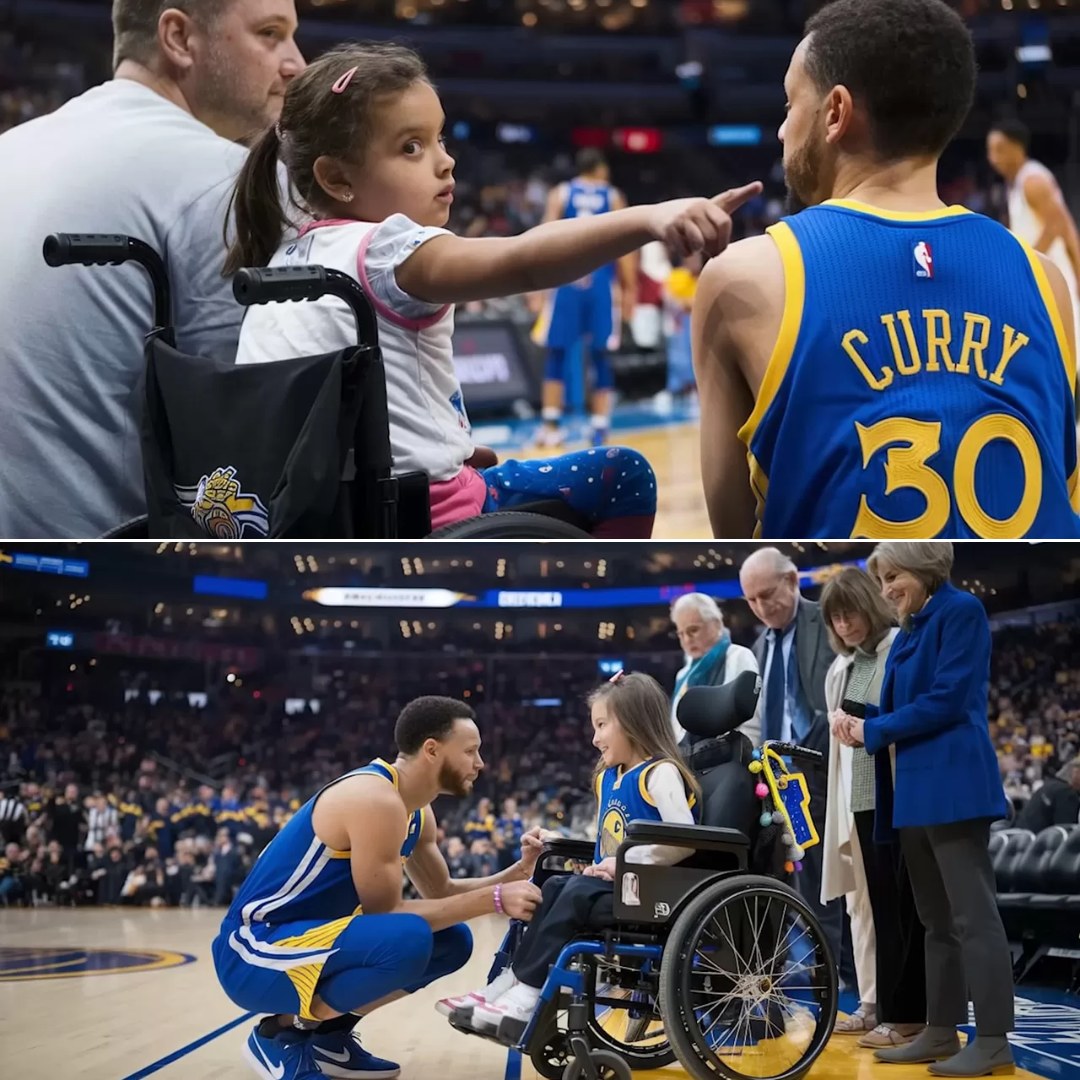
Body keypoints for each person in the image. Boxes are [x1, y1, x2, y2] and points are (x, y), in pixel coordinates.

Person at [227, 42, 760, 539]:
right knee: (624, 474)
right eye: (411, 147)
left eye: (439, 138)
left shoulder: (287, 257)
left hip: (328, 513)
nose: (445, 160)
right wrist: (648, 218)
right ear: (337, 180)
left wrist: (436, 449)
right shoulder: (386, 248)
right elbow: (522, 259)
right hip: (426, 514)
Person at [691, 0, 1079, 540]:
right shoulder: (1046, 281)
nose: (782, 131)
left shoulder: (741, 276)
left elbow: (737, 539)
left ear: (835, 112)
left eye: (789, 105)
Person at [0, 0, 305, 539]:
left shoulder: (13, 148)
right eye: (270, 34)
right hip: (106, 589)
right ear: (179, 39)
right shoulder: (226, 179)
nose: (296, 63)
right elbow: (252, 444)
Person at [211, 696, 545, 1080]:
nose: (480, 763)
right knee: (407, 939)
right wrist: (494, 900)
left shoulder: (416, 809)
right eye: (470, 751)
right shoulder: (375, 797)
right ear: (432, 750)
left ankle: (328, 1038)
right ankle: (279, 1034)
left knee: (451, 941)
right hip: (254, 950)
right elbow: (385, 913)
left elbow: (442, 892)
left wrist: (517, 872)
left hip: (308, 942)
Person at [435, 672, 699, 1045]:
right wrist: (559, 841)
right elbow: (609, 841)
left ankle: (524, 996)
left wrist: (623, 863)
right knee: (555, 883)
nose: (594, 738)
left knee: (572, 891)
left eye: (602, 725)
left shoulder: (661, 773)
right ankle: (504, 986)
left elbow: (684, 841)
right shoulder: (607, 777)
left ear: (634, 722)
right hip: (617, 890)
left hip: (654, 896)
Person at [833, 542, 1015, 1078]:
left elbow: (948, 699)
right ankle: (940, 1028)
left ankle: (994, 1037)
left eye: (894, 575)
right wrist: (859, 721)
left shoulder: (961, 611)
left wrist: (875, 729)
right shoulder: (911, 626)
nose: (886, 589)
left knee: (972, 916)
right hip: (912, 791)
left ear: (925, 565)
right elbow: (902, 707)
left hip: (954, 785)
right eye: (882, 578)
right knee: (935, 921)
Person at [738, 547, 856, 991]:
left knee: (829, 878)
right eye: (751, 600)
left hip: (822, 768)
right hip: (777, 779)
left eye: (767, 594)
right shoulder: (757, 646)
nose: (761, 606)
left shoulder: (826, 622)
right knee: (793, 878)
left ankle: (839, 972)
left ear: (792, 580)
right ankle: (813, 967)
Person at [820, 568, 926, 1049]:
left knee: (897, 908)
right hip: (854, 799)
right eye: (836, 618)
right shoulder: (839, 669)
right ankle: (871, 1002)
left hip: (894, 793)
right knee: (862, 906)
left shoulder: (898, 649)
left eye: (851, 614)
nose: (845, 625)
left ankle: (903, 1012)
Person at [532, 150, 638, 448]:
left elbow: (542, 238)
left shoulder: (562, 193)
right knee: (601, 354)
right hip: (601, 282)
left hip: (565, 281)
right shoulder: (612, 195)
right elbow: (625, 247)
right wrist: (630, 290)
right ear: (601, 169)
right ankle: (600, 427)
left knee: (556, 353)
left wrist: (536, 289)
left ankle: (551, 426)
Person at [987, 117, 1080, 382]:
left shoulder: (1033, 181)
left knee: (1068, 357)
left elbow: (1060, 227)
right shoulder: (1017, 183)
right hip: (1043, 277)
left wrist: (1024, 264)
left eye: (999, 149)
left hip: (1053, 276)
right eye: (991, 150)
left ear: (1018, 148)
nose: (993, 158)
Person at [669, 592, 759, 747]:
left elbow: (751, 723)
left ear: (717, 623)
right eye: (681, 634)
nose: (687, 640)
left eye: (693, 630)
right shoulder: (683, 674)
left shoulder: (738, 656)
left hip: (726, 761)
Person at [1014, 756, 1080, 831]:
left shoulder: (1051, 786)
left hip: (1020, 838)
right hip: (1036, 840)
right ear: (1075, 772)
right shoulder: (1066, 794)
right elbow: (1066, 832)